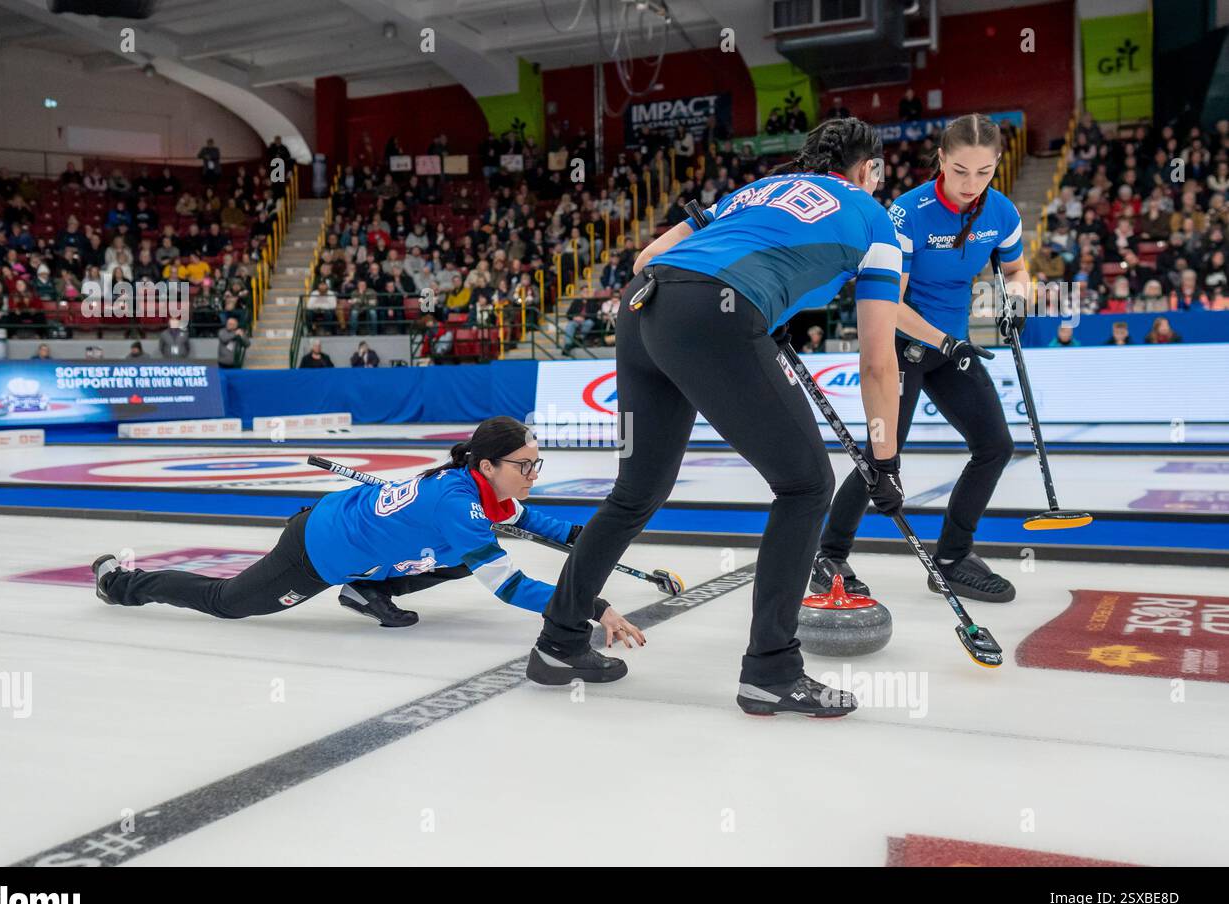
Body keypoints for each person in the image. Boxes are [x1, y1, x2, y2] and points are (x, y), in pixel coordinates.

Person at [532, 118, 905, 719]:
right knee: (808, 486)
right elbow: (878, 362)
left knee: (636, 490)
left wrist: (753, 304)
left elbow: (650, 255)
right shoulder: (876, 220)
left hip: (644, 306)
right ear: (870, 171)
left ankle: (558, 643)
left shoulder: (751, 191)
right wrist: (884, 461)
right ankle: (772, 672)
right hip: (712, 314)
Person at [91, 418, 640, 644]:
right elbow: (510, 588)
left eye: (536, 464)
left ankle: (370, 588)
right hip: (317, 551)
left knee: (456, 556)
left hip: (361, 538)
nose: (533, 476)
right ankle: (119, 582)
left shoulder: (483, 490)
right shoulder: (460, 506)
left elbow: (545, 525)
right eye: (525, 466)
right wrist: (592, 605)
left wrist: (599, 538)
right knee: (228, 602)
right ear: (490, 465)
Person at [814, 114, 1027, 605]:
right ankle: (829, 554)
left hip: (952, 347)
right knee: (882, 453)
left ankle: (952, 558)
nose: (971, 184)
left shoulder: (1002, 213)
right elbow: (890, 306)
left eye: (984, 173)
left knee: (995, 447)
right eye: (960, 170)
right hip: (903, 348)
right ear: (940, 161)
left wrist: (1015, 301)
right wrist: (945, 342)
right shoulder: (908, 214)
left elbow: (1015, 268)